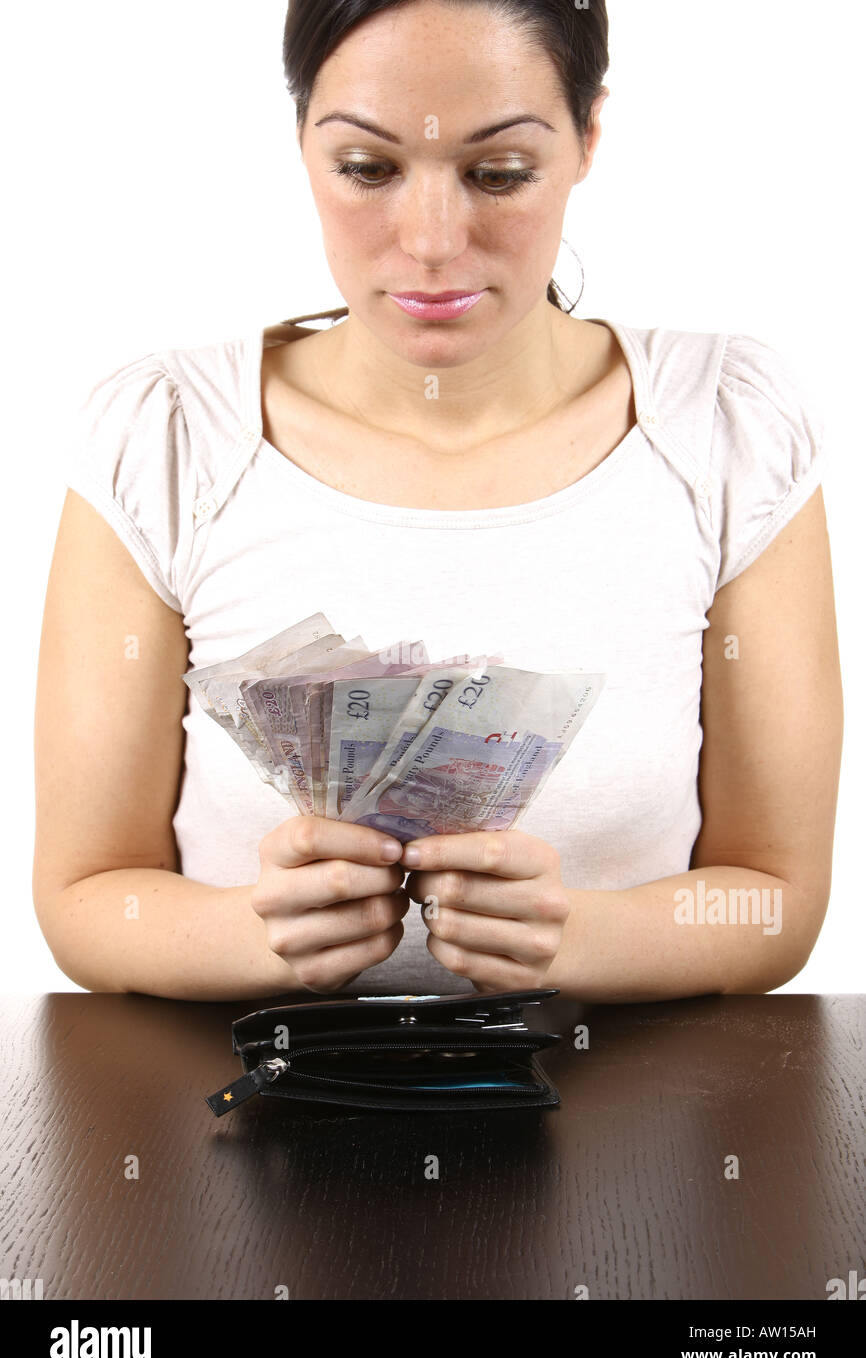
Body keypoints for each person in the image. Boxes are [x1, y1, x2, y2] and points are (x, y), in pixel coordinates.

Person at [33, 0, 842, 1003]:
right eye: (366, 169)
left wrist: (578, 937)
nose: (429, 241)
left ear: (587, 135)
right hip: (250, 1123)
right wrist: (249, 933)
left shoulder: (725, 429)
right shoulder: (163, 435)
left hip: (623, 1125)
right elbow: (84, 894)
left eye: (496, 172)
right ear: (300, 143)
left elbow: (772, 898)